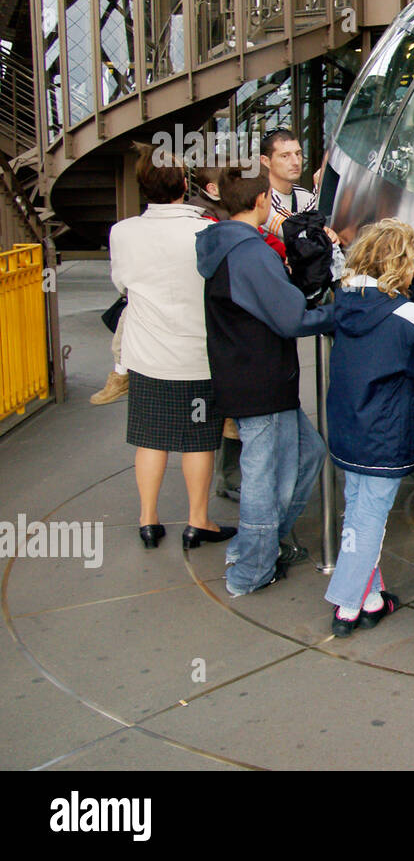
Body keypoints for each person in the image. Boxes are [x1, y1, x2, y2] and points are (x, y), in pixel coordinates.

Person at [196, 164, 334, 596]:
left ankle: (258, 545)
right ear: (261, 202)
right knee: (263, 475)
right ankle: (251, 570)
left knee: (308, 453)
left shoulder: (223, 244)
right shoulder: (251, 253)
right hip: (261, 381)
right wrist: (342, 311)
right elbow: (291, 317)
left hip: (249, 375)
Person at [108, 146, 234, 551]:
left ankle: (148, 520)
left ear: (143, 187)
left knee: (151, 437)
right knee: (198, 441)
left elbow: (122, 284)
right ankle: (198, 521)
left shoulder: (122, 232)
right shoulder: (207, 230)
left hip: (147, 353)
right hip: (197, 355)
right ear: (185, 184)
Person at [324, 219, 414, 636]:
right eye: (412, 259)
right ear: (397, 265)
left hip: (347, 428)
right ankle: (347, 606)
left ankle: (372, 598)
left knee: (356, 513)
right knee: (368, 519)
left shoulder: (345, 302)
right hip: (385, 436)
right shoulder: (407, 317)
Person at [260, 129, 317, 241]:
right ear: (265, 161)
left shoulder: (306, 196)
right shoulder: (261, 197)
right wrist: (320, 190)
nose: (295, 162)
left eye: (298, 154)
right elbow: (292, 229)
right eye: (285, 156)